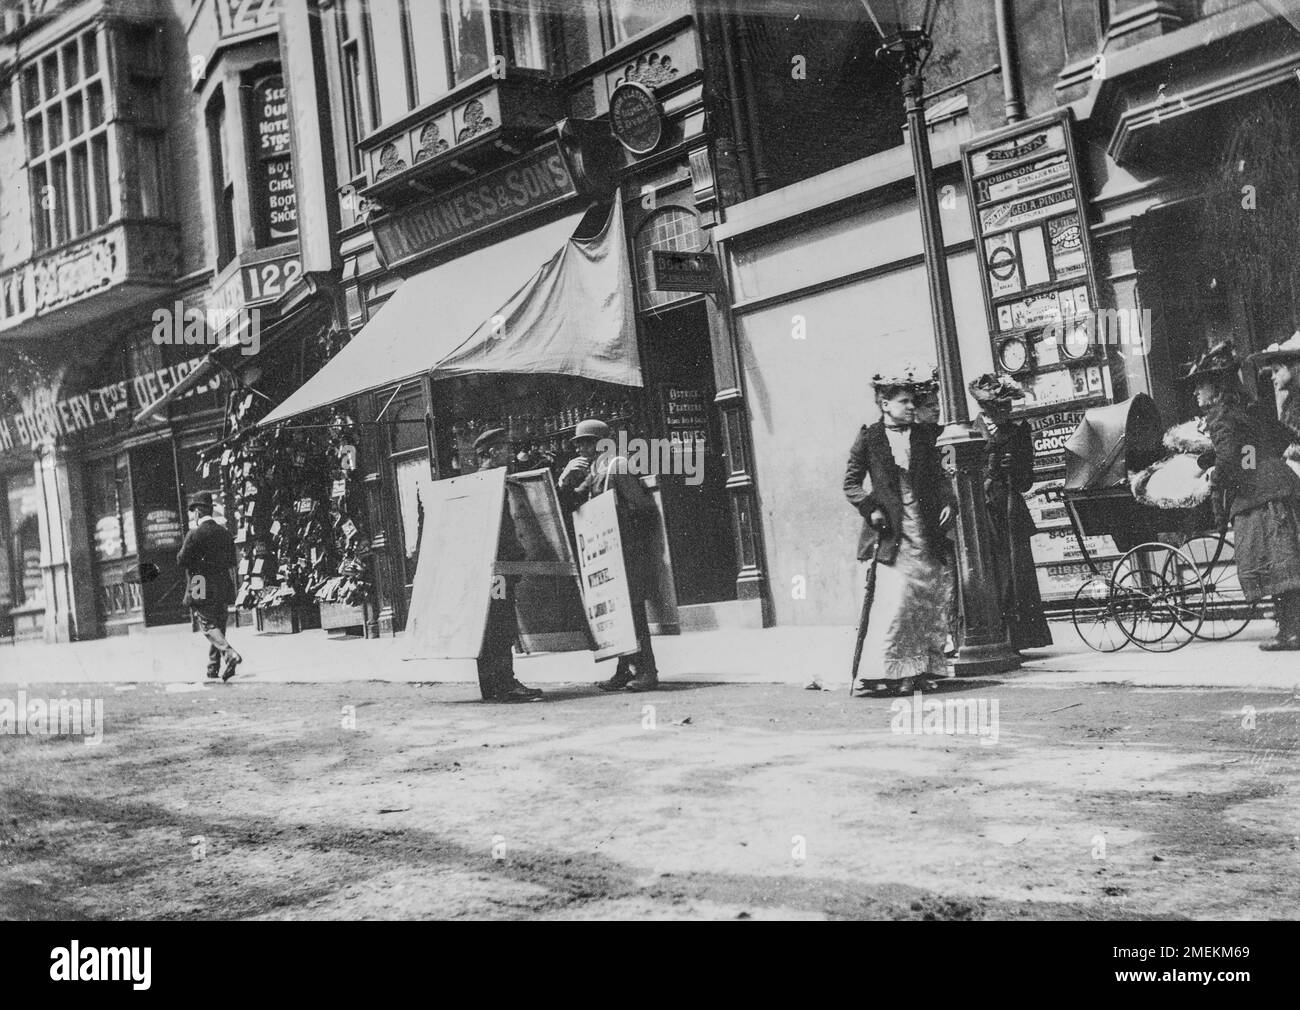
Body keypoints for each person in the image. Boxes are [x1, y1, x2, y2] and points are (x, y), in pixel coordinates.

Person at [843, 367, 955, 695]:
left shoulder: (926, 436)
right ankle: (892, 672)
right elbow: (850, 483)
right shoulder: (869, 437)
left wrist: (949, 499)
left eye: (912, 402)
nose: (910, 407)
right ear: (884, 403)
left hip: (924, 528)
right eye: (903, 401)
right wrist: (870, 507)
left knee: (926, 599)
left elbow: (943, 474)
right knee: (898, 602)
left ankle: (922, 671)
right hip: (891, 533)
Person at [1188, 341, 1300, 651]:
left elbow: (1233, 458)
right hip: (1278, 487)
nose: (1197, 392)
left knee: (1278, 566)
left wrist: (1215, 476)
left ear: (1216, 386)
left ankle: (1291, 633)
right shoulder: (1245, 406)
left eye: (1201, 385)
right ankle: (1291, 630)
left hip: (1261, 498)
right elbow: (1262, 443)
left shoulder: (1221, 414)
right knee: (1286, 565)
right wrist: (1234, 462)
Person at [560, 417, 660, 692]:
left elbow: (644, 508)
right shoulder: (595, 471)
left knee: (634, 614)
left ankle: (647, 671)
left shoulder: (618, 466)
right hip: (608, 552)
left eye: (586, 443)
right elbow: (572, 504)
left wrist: (620, 523)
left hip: (625, 551)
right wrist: (566, 481)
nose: (581, 449)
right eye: (579, 444)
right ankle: (623, 669)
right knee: (616, 615)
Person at [968, 372, 1053, 651]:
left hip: (1011, 508)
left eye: (1007, 406)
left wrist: (1013, 469)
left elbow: (1027, 479)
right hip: (984, 510)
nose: (1004, 411)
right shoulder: (969, 431)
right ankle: (996, 634)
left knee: (1016, 572)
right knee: (992, 572)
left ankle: (1019, 637)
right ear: (985, 408)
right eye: (997, 407)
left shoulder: (1019, 431)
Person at [474, 427, 545, 701]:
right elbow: (499, 528)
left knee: (490, 622)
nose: (509, 453)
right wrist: (515, 553)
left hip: (490, 568)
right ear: (491, 452)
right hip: (499, 570)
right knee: (500, 621)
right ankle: (505, 683)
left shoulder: (482, 480)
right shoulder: (492, 481)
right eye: (504, 448)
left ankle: (492, 685)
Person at [177, 491, 241, 681]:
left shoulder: (194, 534)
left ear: (197, 512)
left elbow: (181, 560)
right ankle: (213, 667)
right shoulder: (224, 532)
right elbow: (232, 561)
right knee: (219, 623)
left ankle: (230, 654)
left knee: (207, 623)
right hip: (222, 581)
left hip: (200, 582)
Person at [1255, 332, 1300, 479]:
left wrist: (1293, 451)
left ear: (1294, 368)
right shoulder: (1290, 401)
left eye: (1276, 370)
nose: (1273, 377)